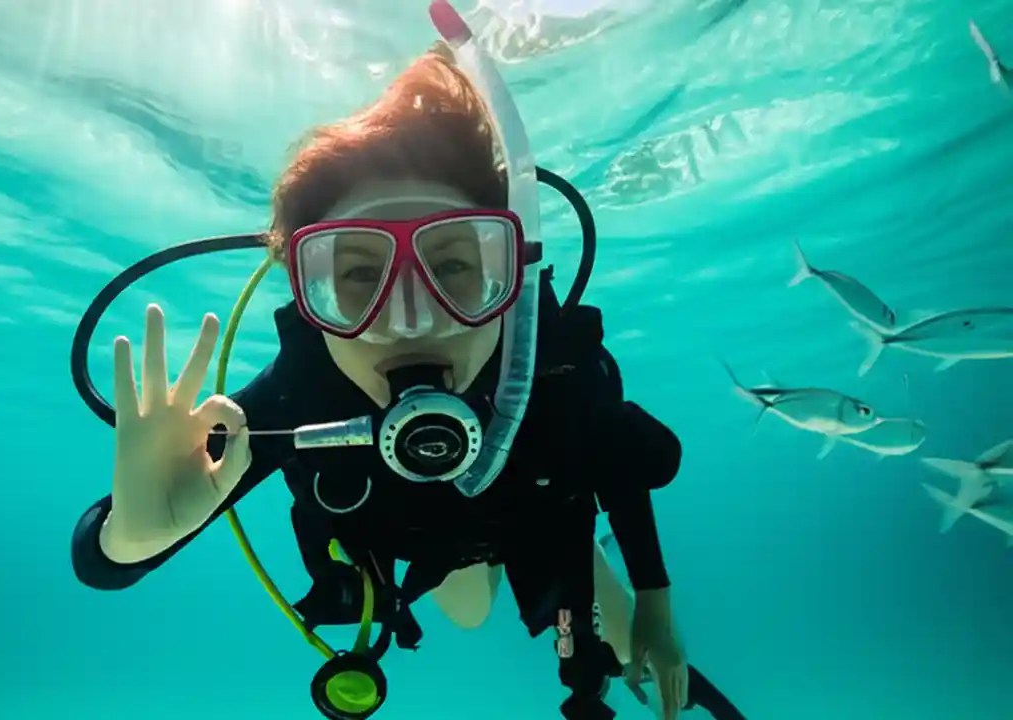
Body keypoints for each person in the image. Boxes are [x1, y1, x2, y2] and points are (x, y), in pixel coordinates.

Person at [67, 3, 744, 719]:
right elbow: (99, 562)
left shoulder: (552, 368)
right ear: (308, 297)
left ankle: (581, 570)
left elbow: (621, 468)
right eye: (358, 275)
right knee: (468, 607)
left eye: (453, 264)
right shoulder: (299, 395)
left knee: (548, 555)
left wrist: (657, 610)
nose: (411, 316)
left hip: (530, 516)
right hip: (418, 549)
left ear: (511, 271)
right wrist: (131, 536)